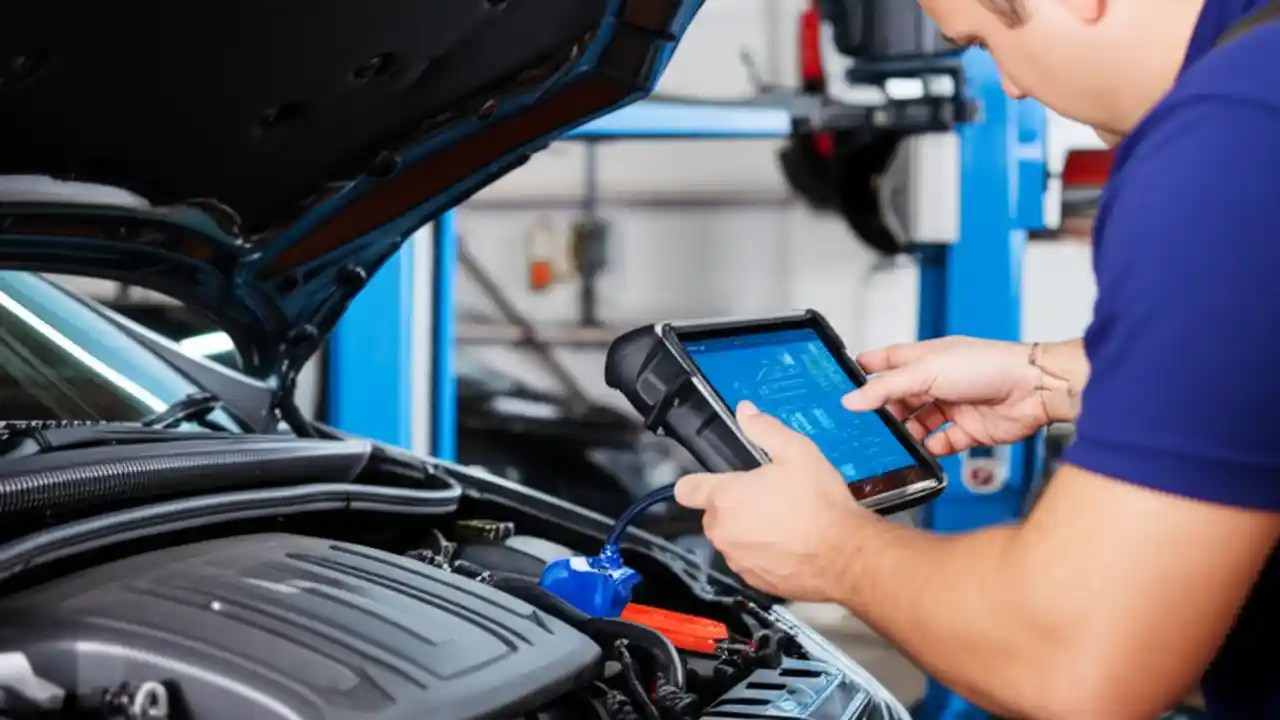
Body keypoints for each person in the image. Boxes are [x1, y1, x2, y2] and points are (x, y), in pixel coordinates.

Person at [674, 0, 1280, 717]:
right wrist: (1048, 375)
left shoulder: (1232, 133)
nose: (1014, 88)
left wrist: (834, 549)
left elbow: (1074, 661)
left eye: (990, 41)